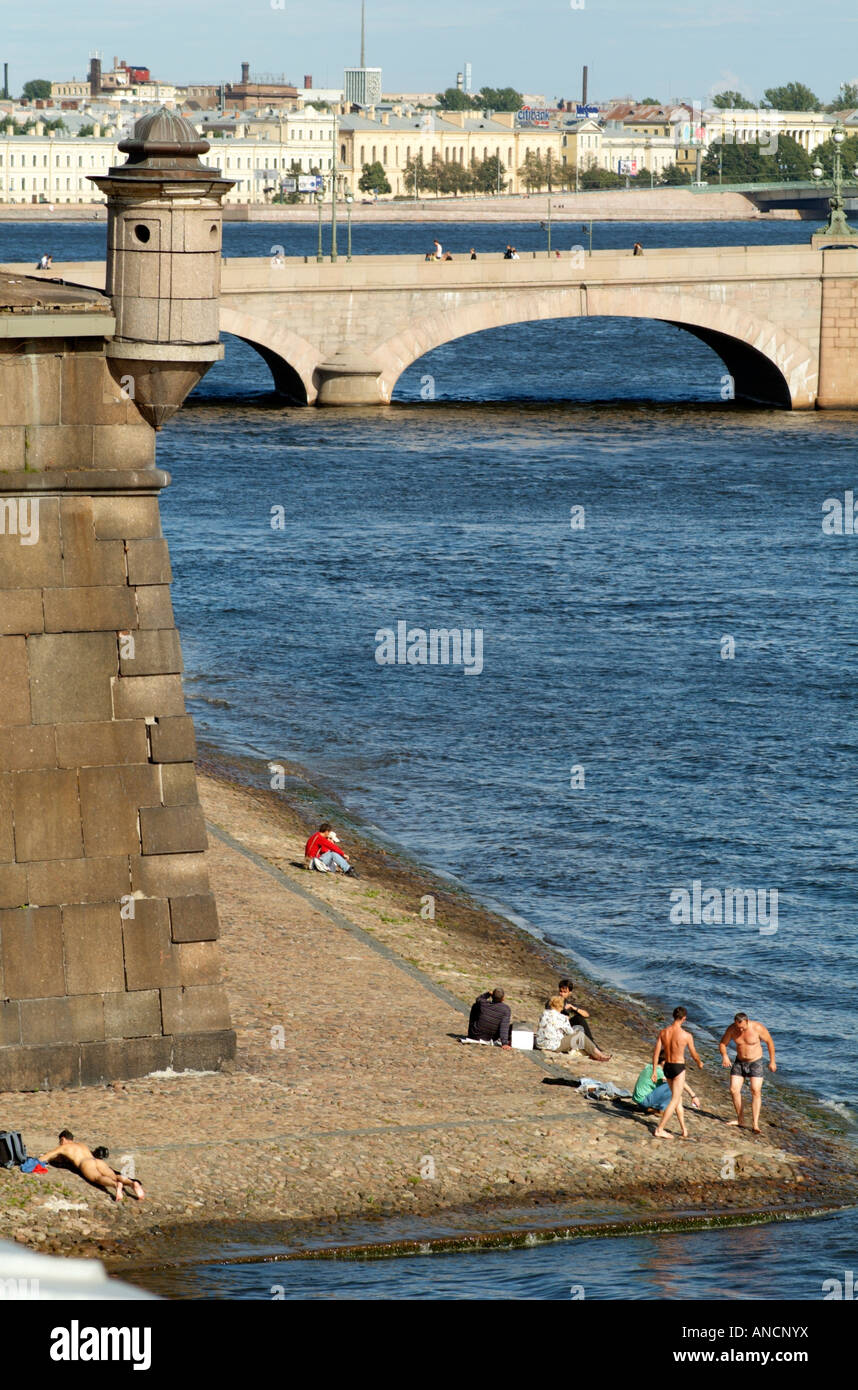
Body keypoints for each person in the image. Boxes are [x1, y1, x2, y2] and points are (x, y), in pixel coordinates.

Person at [39, 1131, 144, 1202]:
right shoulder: (82, 1145)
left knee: (97, 1178)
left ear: (63, 1139)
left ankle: (116, 1186)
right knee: (115, 1175)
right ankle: (132, 1183)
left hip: (85, 1164)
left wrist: (37, 1159)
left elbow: (46, 1156)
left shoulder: (64, 1147)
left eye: (60, 1141)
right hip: (96, 1161)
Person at [719, 1012, 776, 1134]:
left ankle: (755, 1124)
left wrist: (772, 1061)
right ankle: (740, 1119)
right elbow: (723, 1043)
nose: (739, 1029)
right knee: (734, 1090)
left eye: (742, 1027)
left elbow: (770, 1042)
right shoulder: (732, 1029)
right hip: (739, 1062)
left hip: (755, 1062)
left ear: (747, 1021)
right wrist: (725, 1056)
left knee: (755, 1090)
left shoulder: (757, 1028)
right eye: (737, 1026)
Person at [652, 1007, 703, 1139]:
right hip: (678, 1067)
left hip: (667, 1067)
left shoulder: (664, 1032)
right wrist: (699, 1063)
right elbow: (693, 1053)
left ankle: (684, 1129)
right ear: (684, 1019)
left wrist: (654, 1071)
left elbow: (656, 1052)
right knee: (675, 1099)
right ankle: (660, 1129)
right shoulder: (686, 1035)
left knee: (678, 1099)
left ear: (673, 1016)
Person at [536, 996, 611, 1060]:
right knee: (580, 1035)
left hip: (540, 1043)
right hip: (552, 1045)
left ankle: (590, 1051)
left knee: (577, 1033)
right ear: (561, 1006)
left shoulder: (544, 1014)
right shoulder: (561, 1017)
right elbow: (570, 1032)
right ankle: (598, 1054)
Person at [633, 1055, 699, 1114]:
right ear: (664, 1062)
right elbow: (680, 1082)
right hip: (643, 1101)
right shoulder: (659, 1072)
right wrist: (693, 1096)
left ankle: (660, 1107)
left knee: (669, 1084)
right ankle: (661, 1109)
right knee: (673, 1085)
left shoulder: (651, 1066)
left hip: (639, 1099)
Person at [556, 978, 605, 1052]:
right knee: (577, 1022)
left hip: (566, 1024)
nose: (562, 994)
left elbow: (586, 1015)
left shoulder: (568, 1004)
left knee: (579, 1018)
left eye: (564, 992)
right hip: (558, 1025)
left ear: (569, 993)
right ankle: (591, 1045)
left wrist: (574, 1008)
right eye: (560, 991)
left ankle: (591, 1042)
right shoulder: (554, 1001)